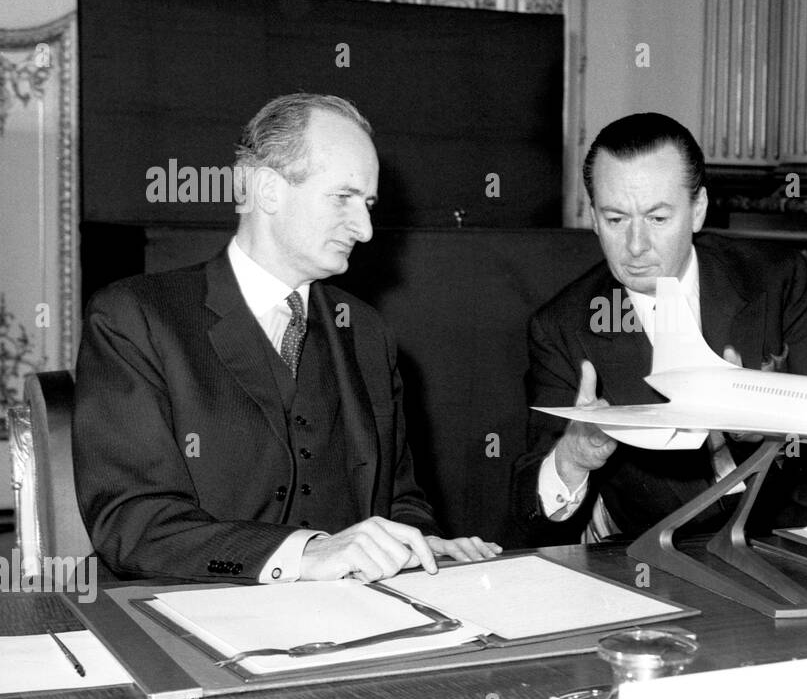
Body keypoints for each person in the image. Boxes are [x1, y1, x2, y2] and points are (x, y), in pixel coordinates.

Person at [74, 93, 500, 582]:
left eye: (368, 204)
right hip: (186, 614)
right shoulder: (136, 317)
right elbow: (133, 524)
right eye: (343, 197)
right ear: (268, 190)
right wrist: (303, 554)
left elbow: (398, 498)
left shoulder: (364, 330)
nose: (364, 229)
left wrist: (415, 546)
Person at [511, 112, 807, 545]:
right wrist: (572, 458)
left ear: (697, 210)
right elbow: (531, 518)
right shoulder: (561, 327)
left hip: (789, 534)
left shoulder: (775, 278)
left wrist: (778, 417)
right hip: (660, 556)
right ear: (592, 215)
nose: (636, 246)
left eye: (658, 219)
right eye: (616, 219)